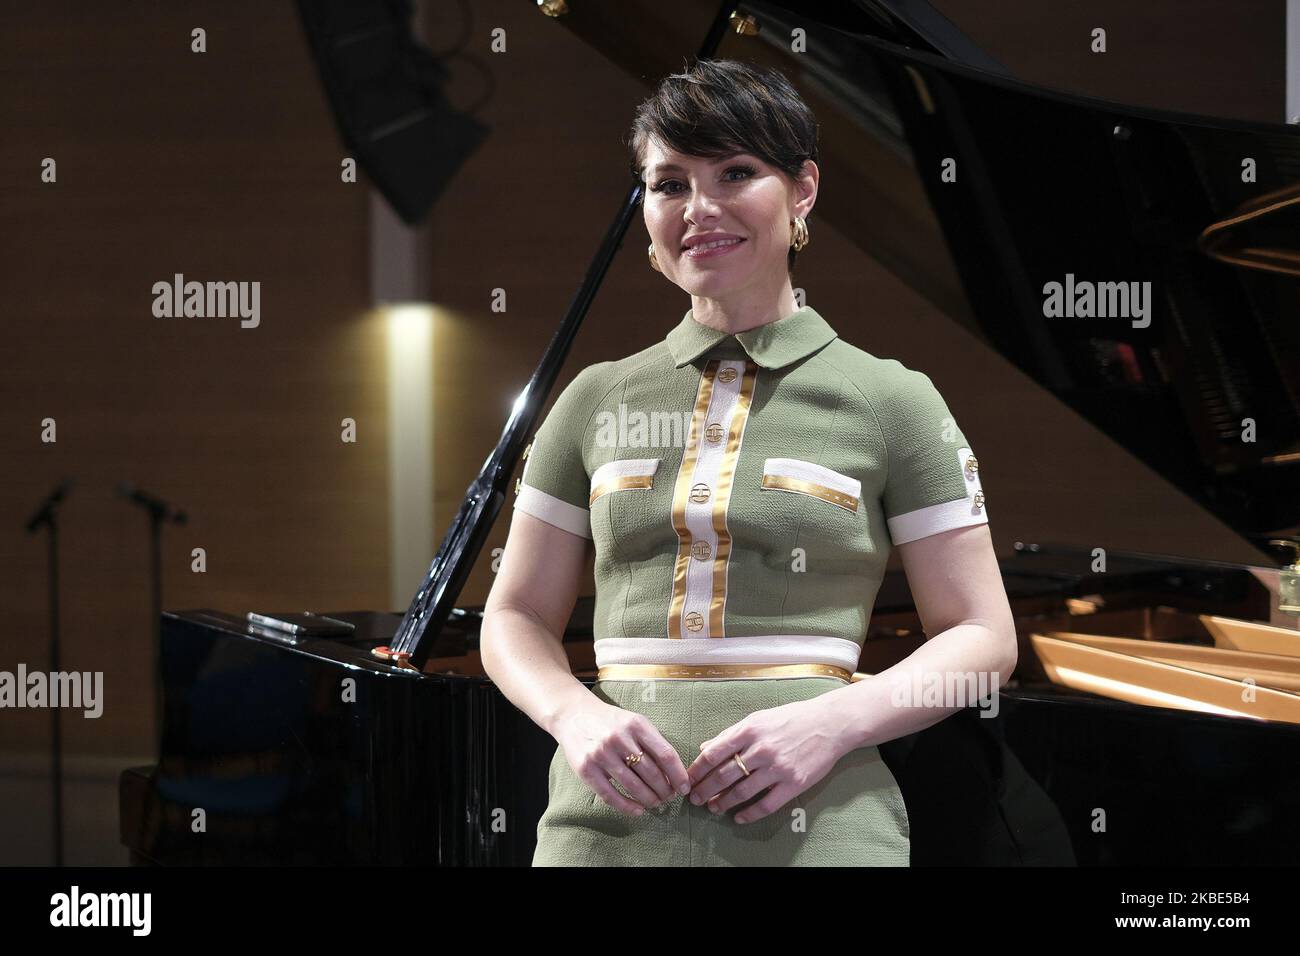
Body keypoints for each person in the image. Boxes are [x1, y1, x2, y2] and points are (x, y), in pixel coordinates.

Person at [480, 58, 1017, 866]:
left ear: (802, 191)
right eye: (669, 184)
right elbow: (514, 618)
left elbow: (984, 638)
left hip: (822, 825)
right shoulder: (593, 399)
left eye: (736, 172)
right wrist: (572, 715)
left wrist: (837, 721)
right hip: (601, 830)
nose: (700, 209)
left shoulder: (892, 400)